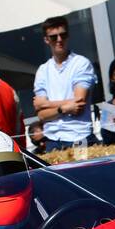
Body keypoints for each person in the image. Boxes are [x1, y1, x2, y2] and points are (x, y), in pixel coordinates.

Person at [32, 16, 98, 152]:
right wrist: (64, 109)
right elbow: (41, 116)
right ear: (46, 40)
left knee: (82, 174)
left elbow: (79, 103)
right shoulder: (43, 70)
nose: (59, 40)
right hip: (52, 140)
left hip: (80, 136)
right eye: (53, 37)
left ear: (68, 36)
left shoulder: (81, 63)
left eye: (63, 35)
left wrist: (45, 104)